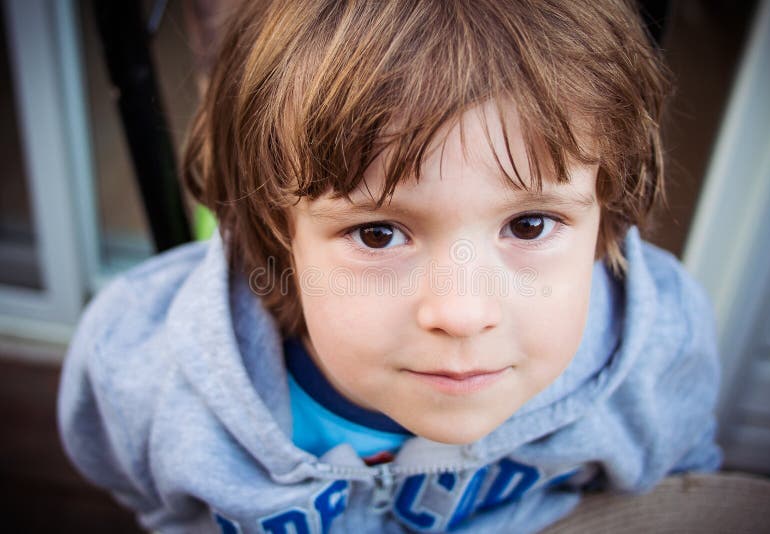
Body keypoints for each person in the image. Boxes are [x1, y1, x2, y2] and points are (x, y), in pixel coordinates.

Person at [58, 1, 722, 532]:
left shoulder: (653, 361)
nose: (463, 314)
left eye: (529, 225)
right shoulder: (151, 375)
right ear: (277, 229)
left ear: (606, 214)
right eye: (378, 234)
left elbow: (687, 491)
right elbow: (147, 497)